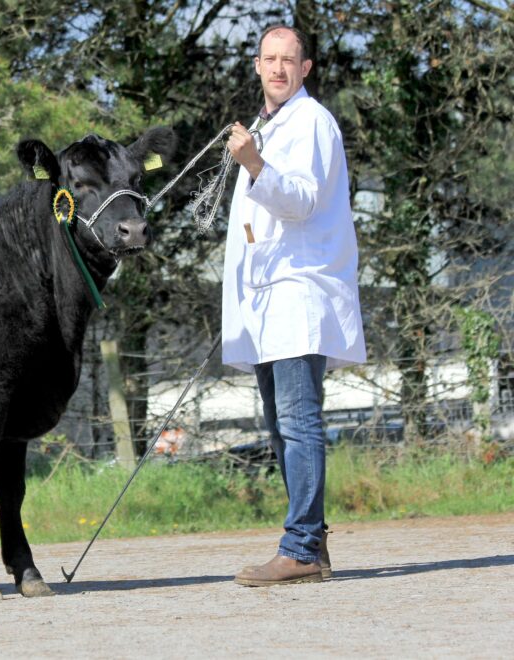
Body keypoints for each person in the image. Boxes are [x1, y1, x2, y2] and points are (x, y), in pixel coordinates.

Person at [222, 25, 366, 586]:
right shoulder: (269, 125)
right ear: (257, 65)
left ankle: (302, 546)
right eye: (270, 59)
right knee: (284, 426)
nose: (279, 68)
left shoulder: (310, 121)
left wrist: (255, 164)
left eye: (290, 60)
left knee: (299, 424)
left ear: (306, 68)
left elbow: (302, 201)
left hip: (298, 293)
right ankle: (312, 543)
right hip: (268, 299)